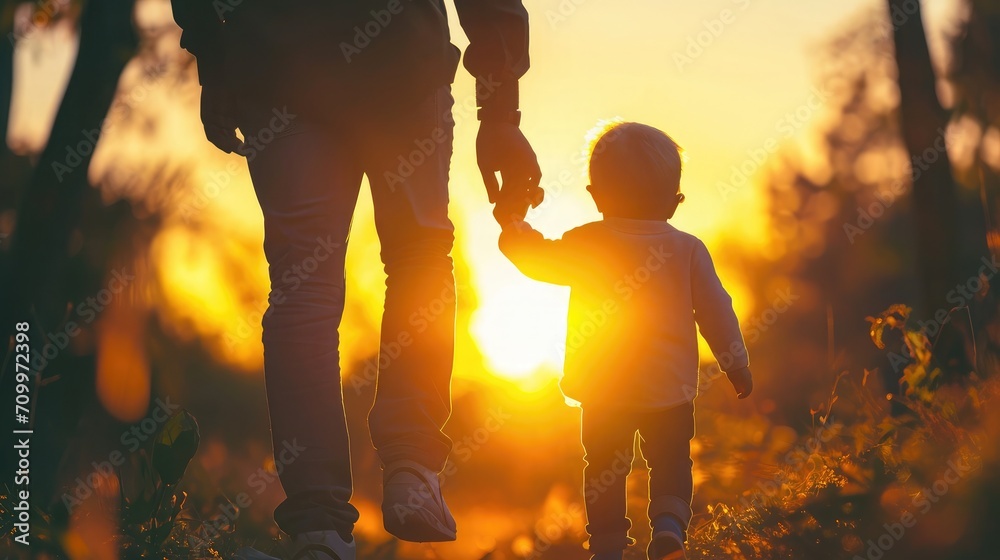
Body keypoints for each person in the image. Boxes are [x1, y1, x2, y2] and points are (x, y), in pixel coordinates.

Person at [169, 1, 542, 559]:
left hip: (278, 68)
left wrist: (216, 60)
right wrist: (501, 113)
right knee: (417, 255)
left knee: (302, 289)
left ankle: (317, 525)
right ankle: (413, 467)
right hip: (400, 64)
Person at [494, 121, 753, 560]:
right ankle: (669, 526)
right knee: (671, 461)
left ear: (596, 195)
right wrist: (735, 361)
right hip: (668, 391)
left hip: (603, 390)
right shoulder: (688, 249)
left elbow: (535, 259)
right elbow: (717, 310)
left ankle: (609, 545)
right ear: (674, 202)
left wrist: (513, 222)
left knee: (603, 470)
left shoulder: (588, 242)